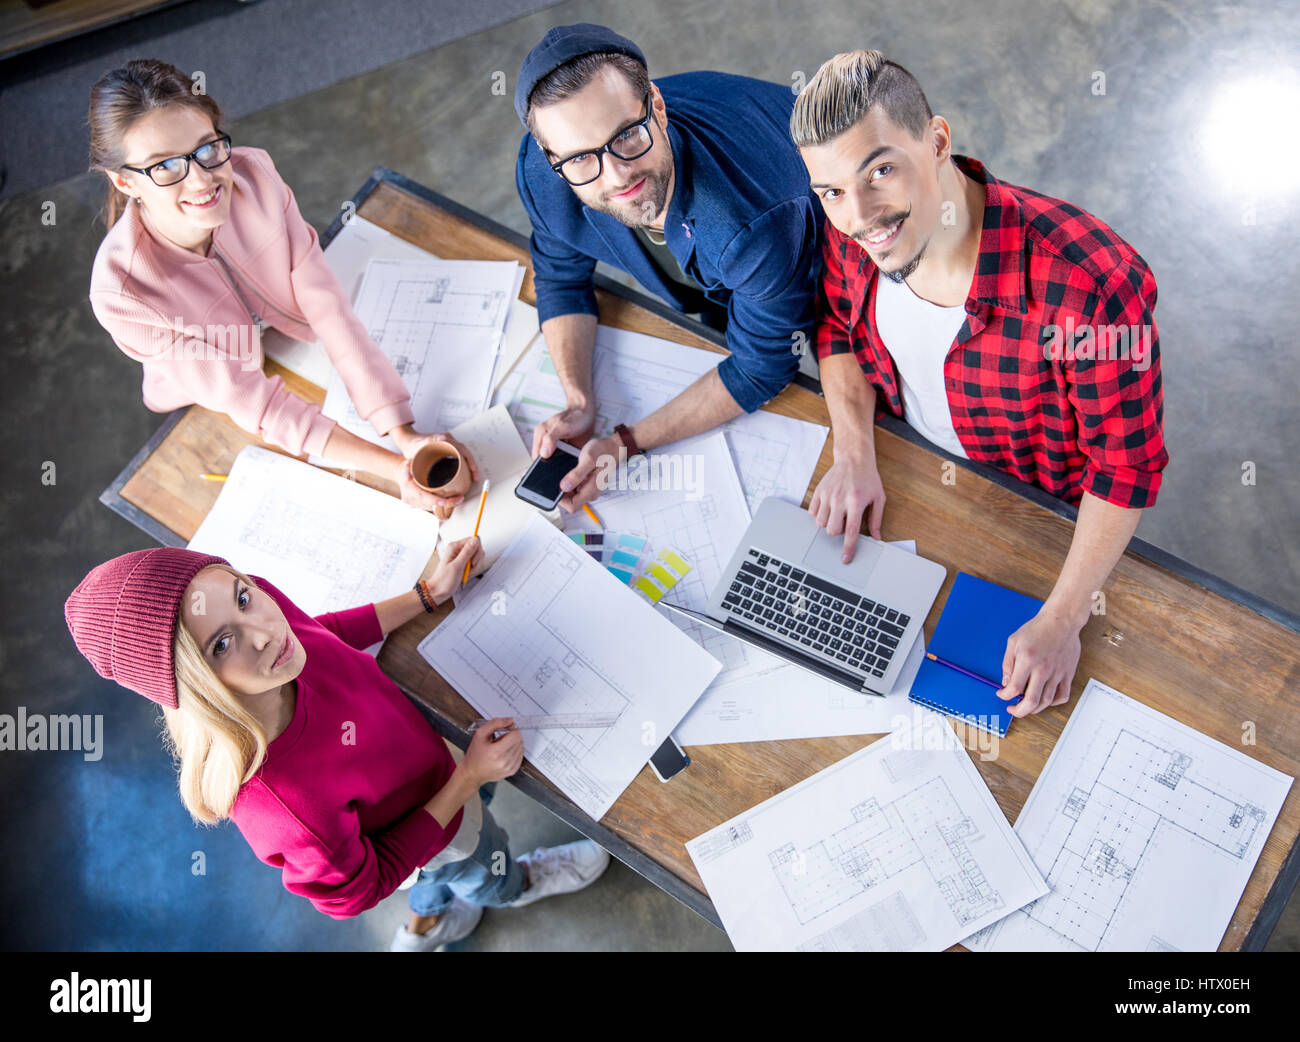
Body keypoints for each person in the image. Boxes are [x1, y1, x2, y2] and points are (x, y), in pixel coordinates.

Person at [792, 50, 1168, 720]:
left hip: (1035, 517)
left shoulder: (1088, 286)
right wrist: (853, 454)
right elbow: (837, 331)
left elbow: (1126, 464)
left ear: (937, 141)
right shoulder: (852, 228)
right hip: (908, 476)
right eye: (833, 192)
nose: (861, 217)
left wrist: (1062, 620)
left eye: (881, 170)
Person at [63, 543, 610, 951]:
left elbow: (322, 632)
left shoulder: (269, 625)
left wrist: (426, 594)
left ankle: (427, 923)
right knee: (481, 867)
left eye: (243, 597)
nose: (265, 630)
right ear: (196, 688)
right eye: (222, 643)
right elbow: (360, 889)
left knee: (436, 878)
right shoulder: (285, 803)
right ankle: (517, 884)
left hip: (439, 770)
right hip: (440, 824)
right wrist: (467, 779)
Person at [87, 59, 474, 518]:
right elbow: (258, 404)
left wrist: (402, 429)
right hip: (209, 386)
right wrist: (395, 469)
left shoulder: (256, 176)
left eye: (207, 148)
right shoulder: (121, 294)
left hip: (289, 330)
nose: (201, 180)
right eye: (165, 166)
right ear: (124, 180)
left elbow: (327, 307)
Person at [513, 23, 823, 511]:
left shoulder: (752, 221)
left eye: (627, 135)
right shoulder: (544, 176)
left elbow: (763, 367)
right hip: (728, 272)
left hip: (827, 251)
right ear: (550, 158)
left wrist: (626, 442)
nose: (617, 176)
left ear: (657, 105)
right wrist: (579, 401)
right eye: (579, 159)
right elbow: (560, 276)